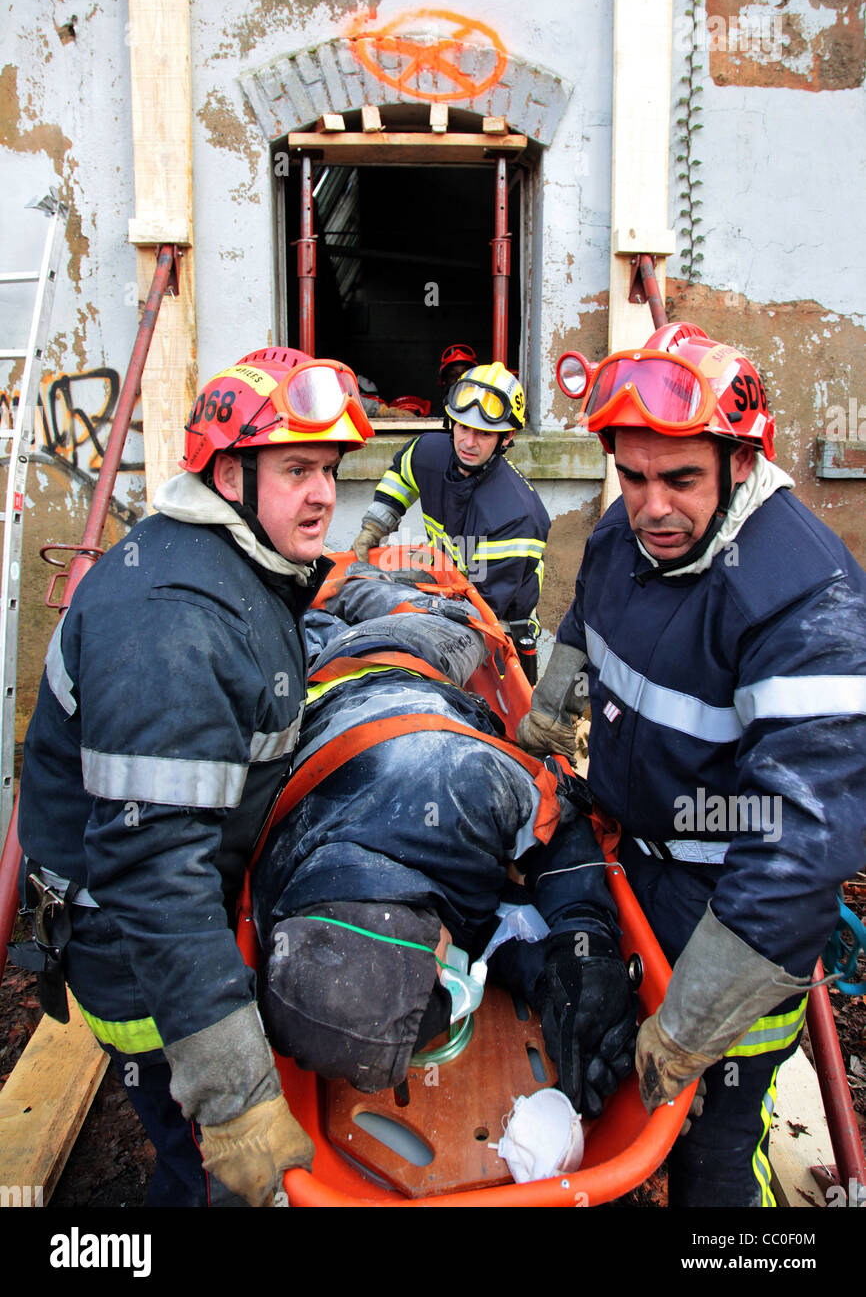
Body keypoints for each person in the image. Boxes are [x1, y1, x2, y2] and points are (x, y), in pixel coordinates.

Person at [11, 346, 374, 1207]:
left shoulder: (229, 563)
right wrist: (236, 1100)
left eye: (328, 468)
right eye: (296, 469)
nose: (322, 492)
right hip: (138, 957)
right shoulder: (175, 622)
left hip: (164, 926)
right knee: (214, 1177)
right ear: (228, 471)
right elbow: (154, 873)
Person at [517, 321, 866, 1207]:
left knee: (715, 1155)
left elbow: (796, 849)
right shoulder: (619, 540)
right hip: (641, 869)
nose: (652, 506)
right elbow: (585, 616)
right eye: (631, 477)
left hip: (737, 922)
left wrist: (692, 1023)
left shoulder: (800, 601)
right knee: (638, 1112)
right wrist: (551, 704)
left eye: (680, 479)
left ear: (740, 464)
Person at [250, 565, 637, 1120]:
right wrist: (551, 978)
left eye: (441, 978)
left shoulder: (468, 784)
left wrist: (586, 935)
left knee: (457, 626)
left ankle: (349, 581)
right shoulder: (282, 909)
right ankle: (325, 604)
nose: (456, 972)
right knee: (311, 627)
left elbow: (561, 817)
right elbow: (482, 938)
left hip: (406, 659)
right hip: (316, 685)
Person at [352, 363, 551, 682]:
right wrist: (373, 529)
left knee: (499, 720)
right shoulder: (428, 452)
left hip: (501, 628)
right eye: (462, 428)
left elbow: (481, 609)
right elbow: (402, 476)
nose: (468, 443)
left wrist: (414, 588)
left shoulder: (517, 515)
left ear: (506, 437)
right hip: (446, 582)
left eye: (484, 433)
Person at [437, 342, 478, 407]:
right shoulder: (437, 415)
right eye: (453, 375)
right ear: (443, 381)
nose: (460, 380)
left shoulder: (488, 409)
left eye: (465, 374)